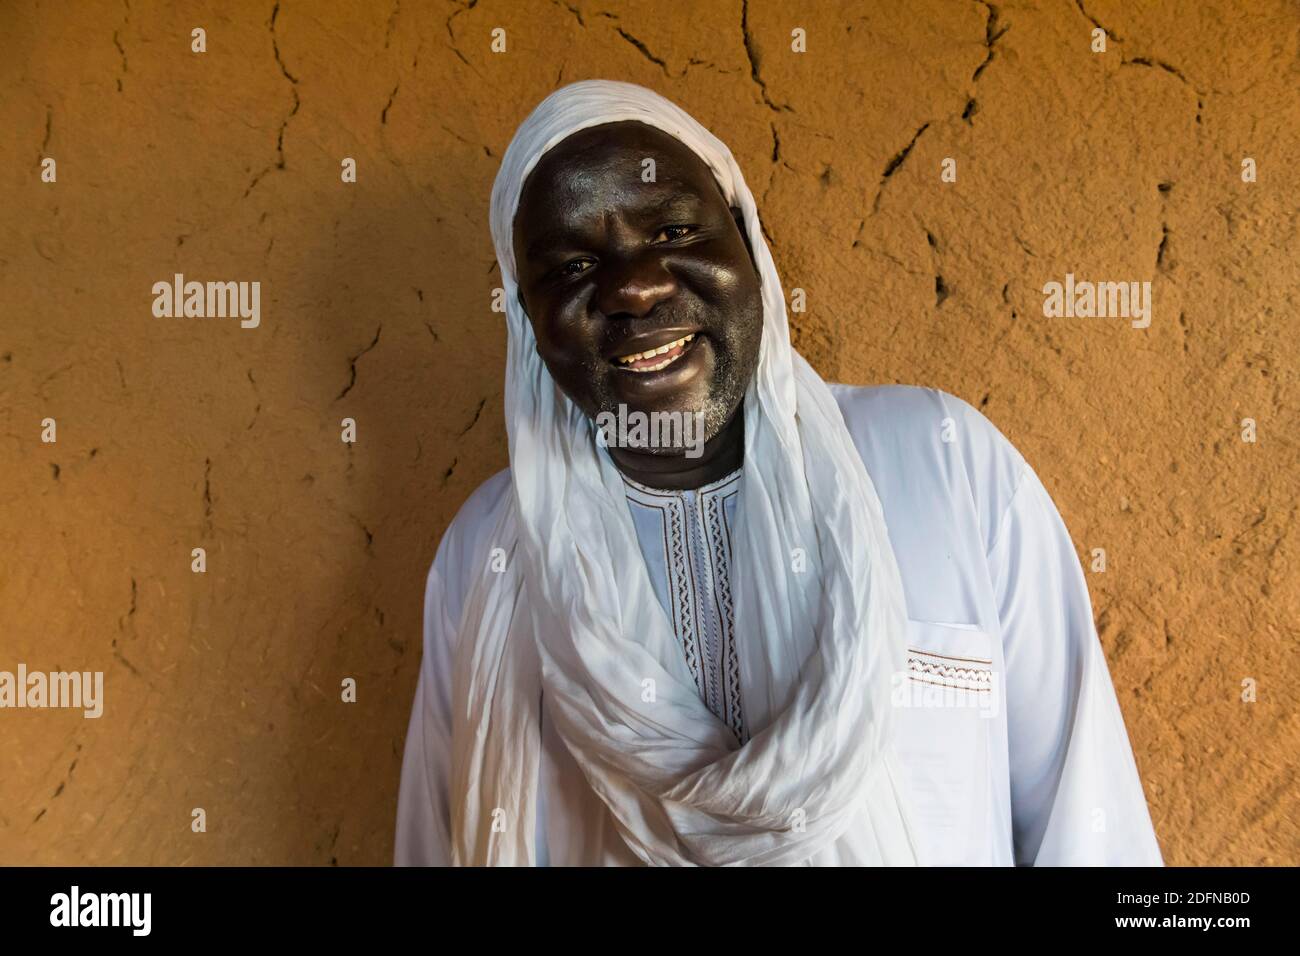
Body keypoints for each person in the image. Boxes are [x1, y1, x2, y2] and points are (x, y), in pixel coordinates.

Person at [394, 80, 1163, 866]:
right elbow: (436, 839)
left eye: (674, 229)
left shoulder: (944, 465)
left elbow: (1090, 826)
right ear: (526, 319)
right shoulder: (486, 556)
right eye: (572, 265)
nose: (634, 286)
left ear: (747, 240)